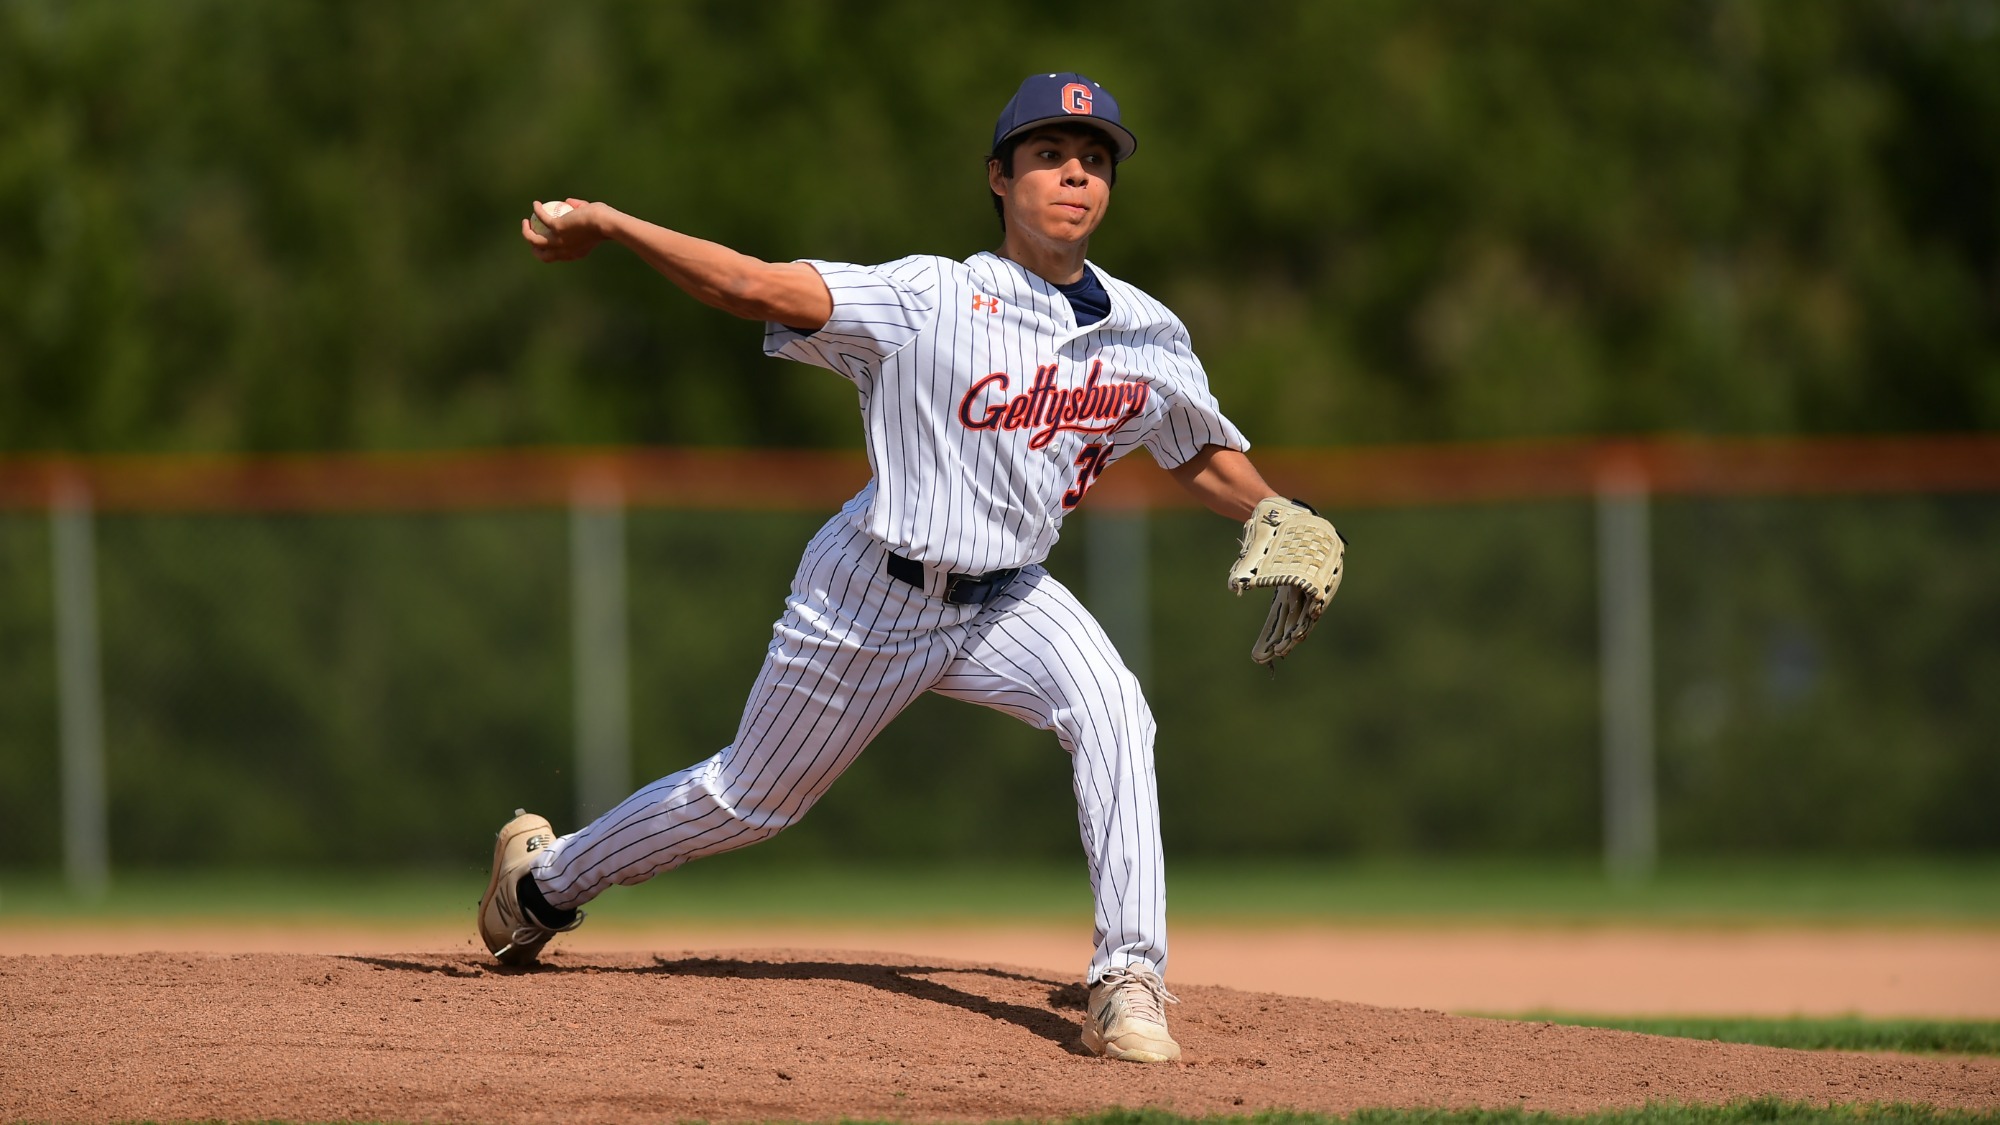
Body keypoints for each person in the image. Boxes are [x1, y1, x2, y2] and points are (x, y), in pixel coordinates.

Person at [483, 71, 1340, 1065]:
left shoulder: (1145, 332)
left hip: (1009, 597)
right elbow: (752, 285)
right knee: (748, 802)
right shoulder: (929, 295)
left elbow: (1189, 444)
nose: (1074, 174)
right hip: (869, 594)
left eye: (1094, 159)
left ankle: (1128, 980)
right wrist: (617, 226)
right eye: (1049, 156)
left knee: (1113, 709)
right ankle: (542, 885)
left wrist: (1277, 509)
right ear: (998, 177)